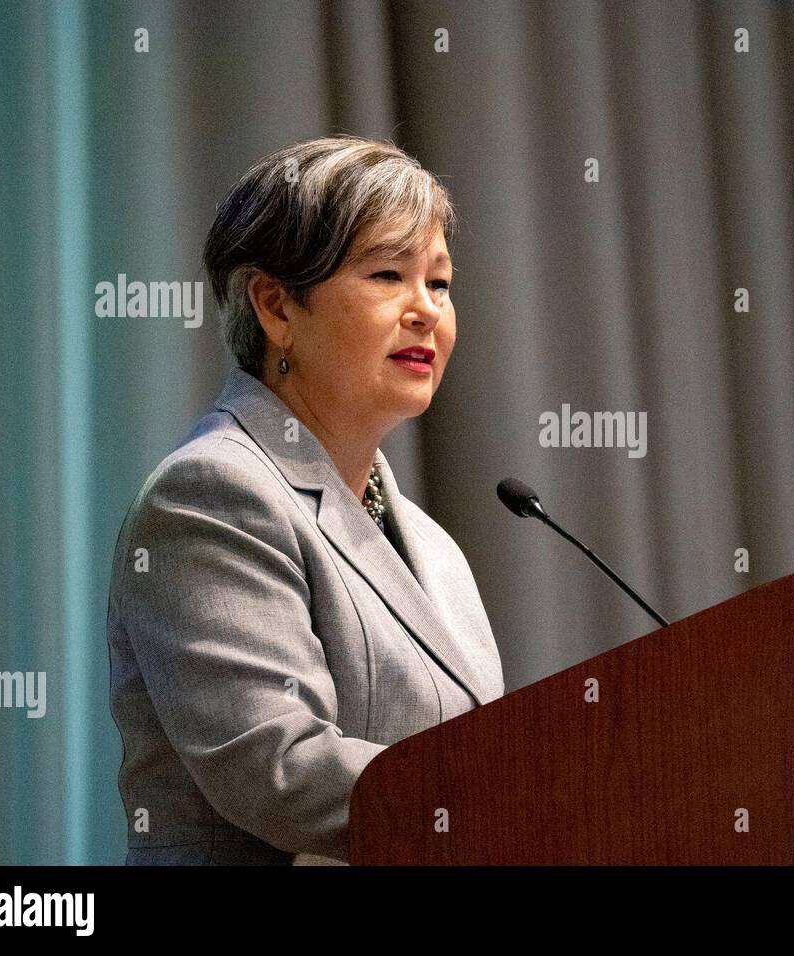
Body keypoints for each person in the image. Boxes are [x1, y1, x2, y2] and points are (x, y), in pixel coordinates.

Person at [106, 135, 504, 865]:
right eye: (389, 273)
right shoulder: (211, 497)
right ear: (276, 306)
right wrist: (524, 804)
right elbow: (280, 768)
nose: (425, 310)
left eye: (440, 283)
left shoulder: (431, 546)